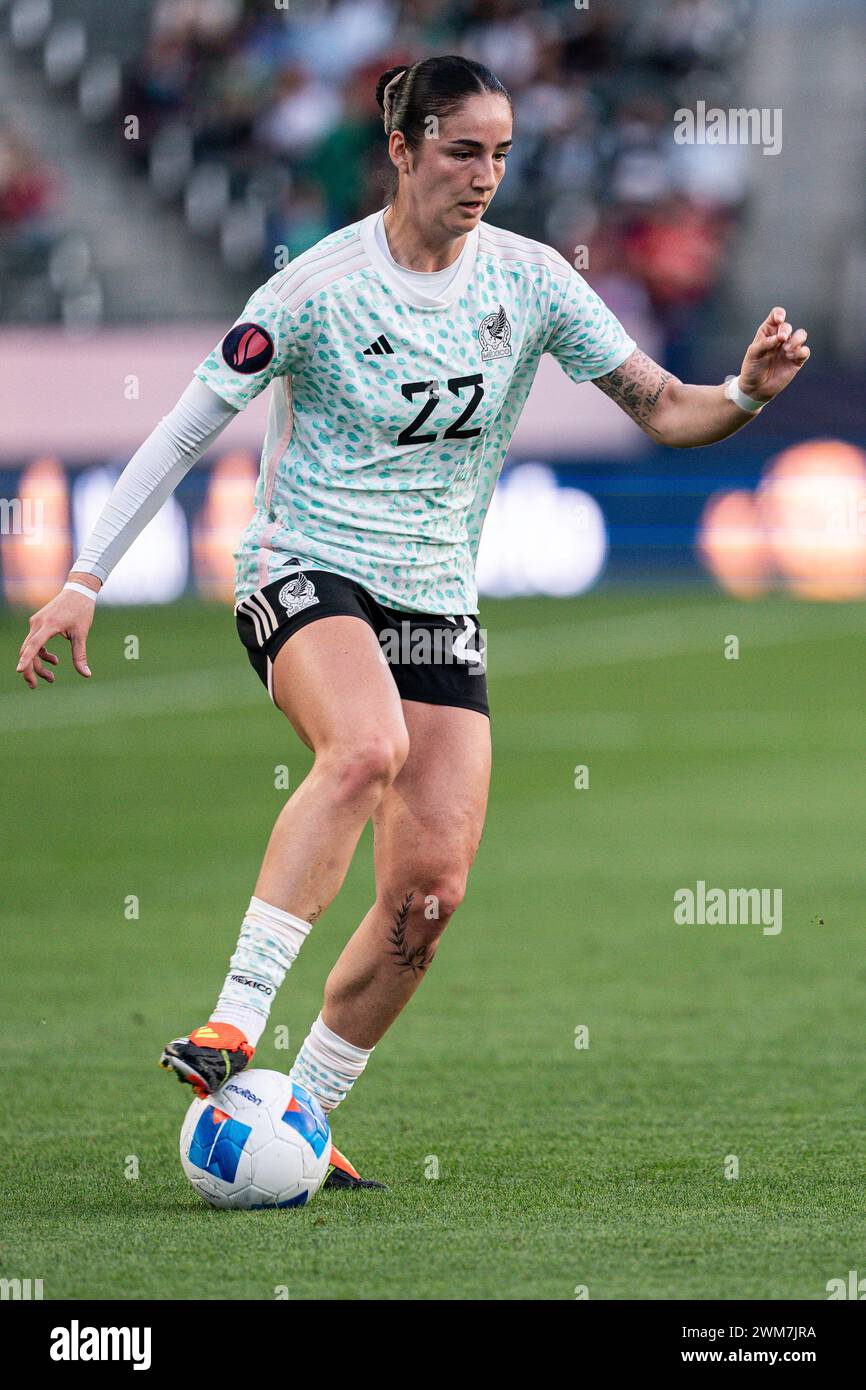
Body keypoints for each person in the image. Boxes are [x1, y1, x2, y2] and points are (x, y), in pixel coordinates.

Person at [15, 56, 810, 1189]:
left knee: (430, 893)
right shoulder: (316, 288)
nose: (485, 175)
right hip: (305, 567)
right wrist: (85, 575)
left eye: (500, 153)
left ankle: (302, 1113)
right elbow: (186, 428)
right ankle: (234, 1022)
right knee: (366, 749)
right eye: (460, 151)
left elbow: (664, 407)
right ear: (401, 150)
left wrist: (743, 393)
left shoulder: (531, 281)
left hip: (435, 597)